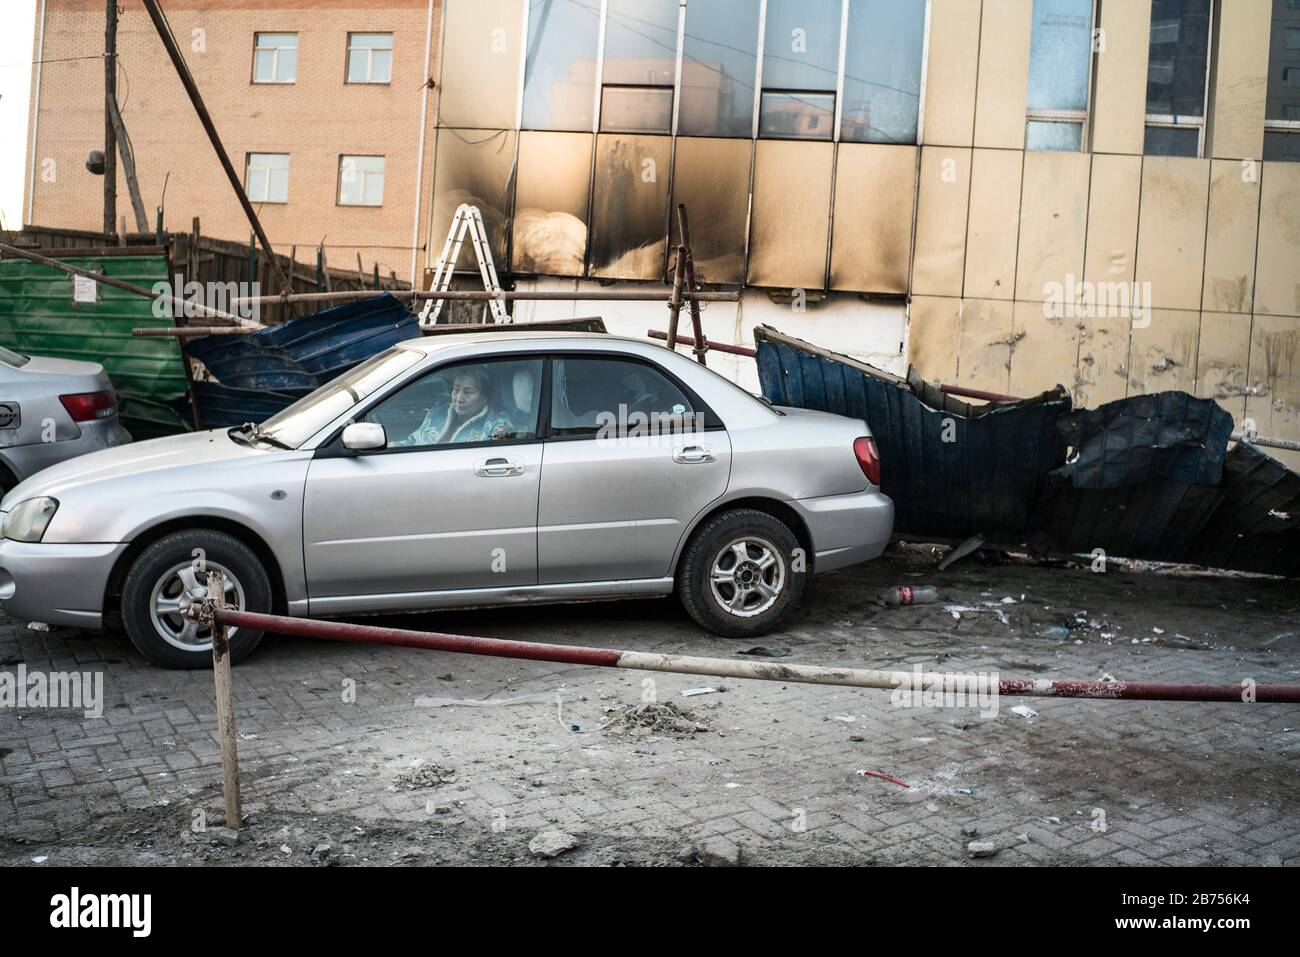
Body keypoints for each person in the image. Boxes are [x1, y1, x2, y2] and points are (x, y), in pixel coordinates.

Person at [392, 365, 517, 446]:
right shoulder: (438, 412)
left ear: (485, 397)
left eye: (468, 392)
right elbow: (412, 441)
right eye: (456, 390)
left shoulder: (498, 426)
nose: (459, 398)